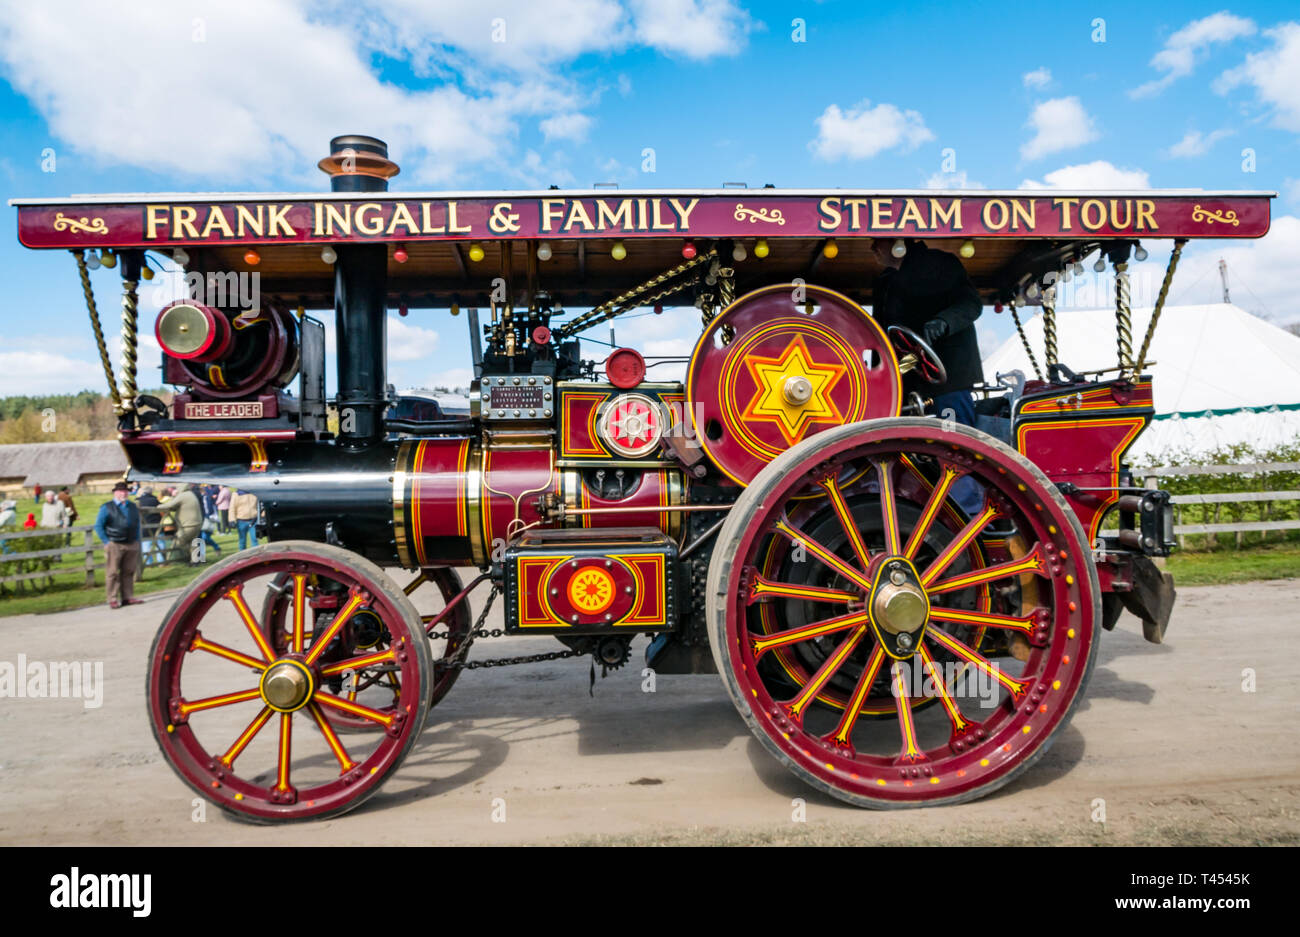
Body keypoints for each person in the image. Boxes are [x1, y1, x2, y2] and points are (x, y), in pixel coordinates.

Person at [872, 237, 985, 515]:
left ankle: (974, 521)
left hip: (947, 381)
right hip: (907, 388)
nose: (873, 247)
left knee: (955, 454)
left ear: (898, 242)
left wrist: (943, 323)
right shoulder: (885, 283)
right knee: (912, 459)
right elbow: (878, 334)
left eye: (878, 241)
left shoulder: (942, 264)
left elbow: (971, 305)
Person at [94, 481, 143, 608]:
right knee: (112, 572)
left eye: (126, 491)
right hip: (114, 543)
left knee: (129, 571)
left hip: (131, 543)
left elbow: (137, 524)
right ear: (115, 493)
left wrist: (136, 540)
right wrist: (107, 542)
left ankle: (128, 597)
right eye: (121, 491)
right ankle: (112, 598)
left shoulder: (132, 506)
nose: (124, 493)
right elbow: (98, 526)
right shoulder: (107, 507)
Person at [157, 483, 204, 565]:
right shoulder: (190, 494)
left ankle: (186, 559)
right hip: (196, 523)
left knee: (179, 542)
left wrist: (158, 507)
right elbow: (178, 506)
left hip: (188, 524)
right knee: (193, 543)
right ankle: (195, 561)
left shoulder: (183, 495)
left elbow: (171, 504)